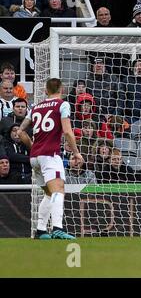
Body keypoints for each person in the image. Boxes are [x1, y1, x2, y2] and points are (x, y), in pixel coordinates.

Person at [17, 78, 84, 239]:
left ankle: (40, 230)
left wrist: (33, 147)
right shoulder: (63, 104)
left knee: (48, 193)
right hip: (50, 155)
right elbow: (67, 131)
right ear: (62, 89)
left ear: (46, 91)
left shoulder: (35, 107)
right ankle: (57, 228)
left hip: (35, 157)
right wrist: (76, 152)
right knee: (58, 190)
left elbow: (20, 132)